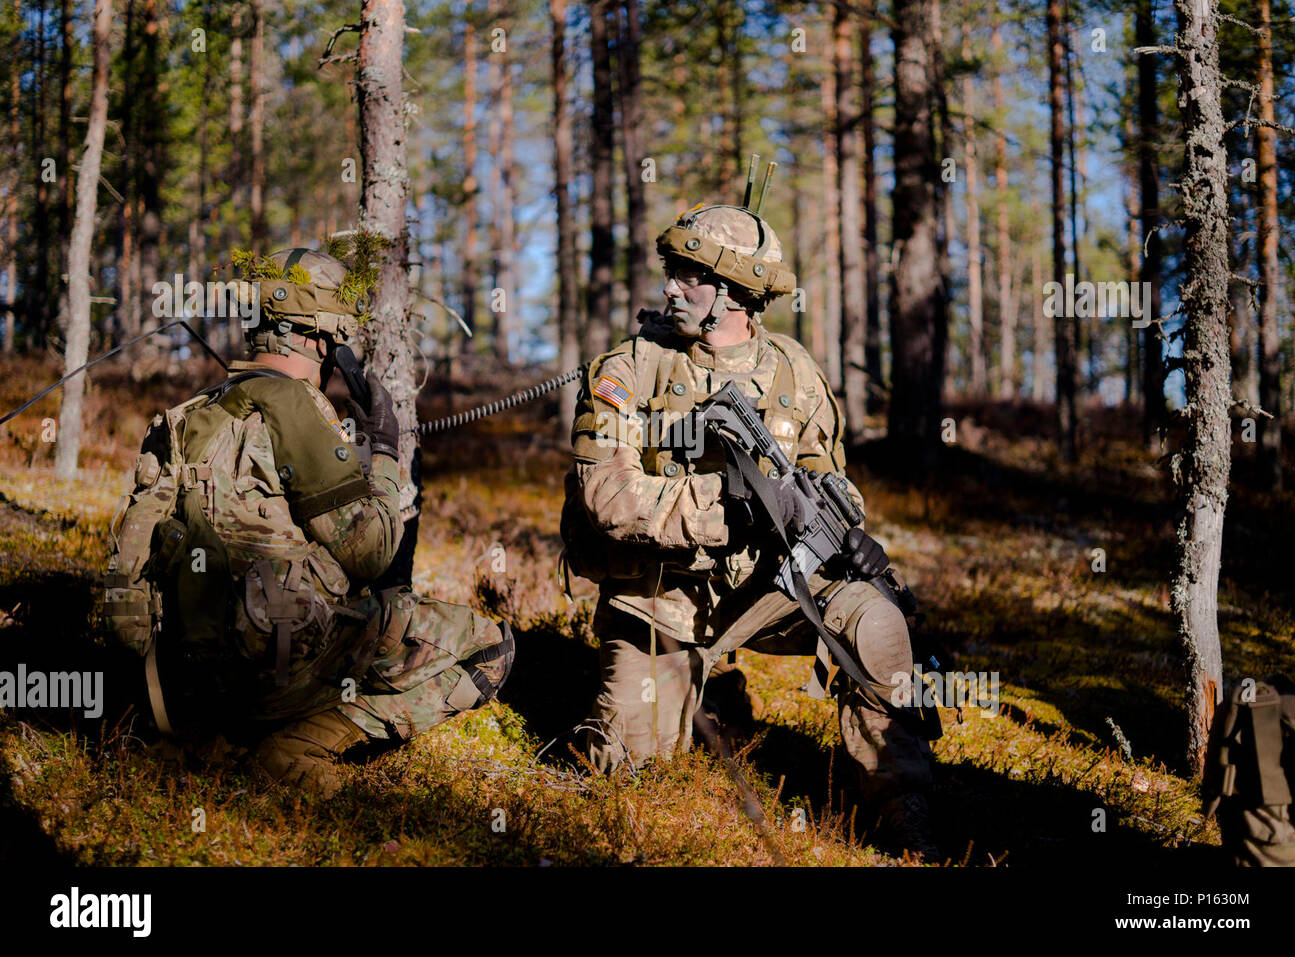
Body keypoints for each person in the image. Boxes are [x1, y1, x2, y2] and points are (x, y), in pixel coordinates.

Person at [561, 203, 937, 857]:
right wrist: (730, 508)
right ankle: (709, 690)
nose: (670, 287)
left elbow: (829, 472)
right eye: (669, 271)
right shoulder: (630, 368)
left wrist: (834, 510)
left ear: (733, 291)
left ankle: (902, 801)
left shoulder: (794, 371)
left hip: (772, 589)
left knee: (876, 622)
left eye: (688, 275)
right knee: (624, 765)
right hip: (664, 597)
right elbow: (608, 497)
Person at [102, 247, 514, 796]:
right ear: (322, 339)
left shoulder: (186, 414)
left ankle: (216, 737)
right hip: (274, 674)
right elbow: (370, 551)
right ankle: (300, 743)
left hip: (184, 679)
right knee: (492, 645)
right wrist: (386, 452)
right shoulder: (295, 406)